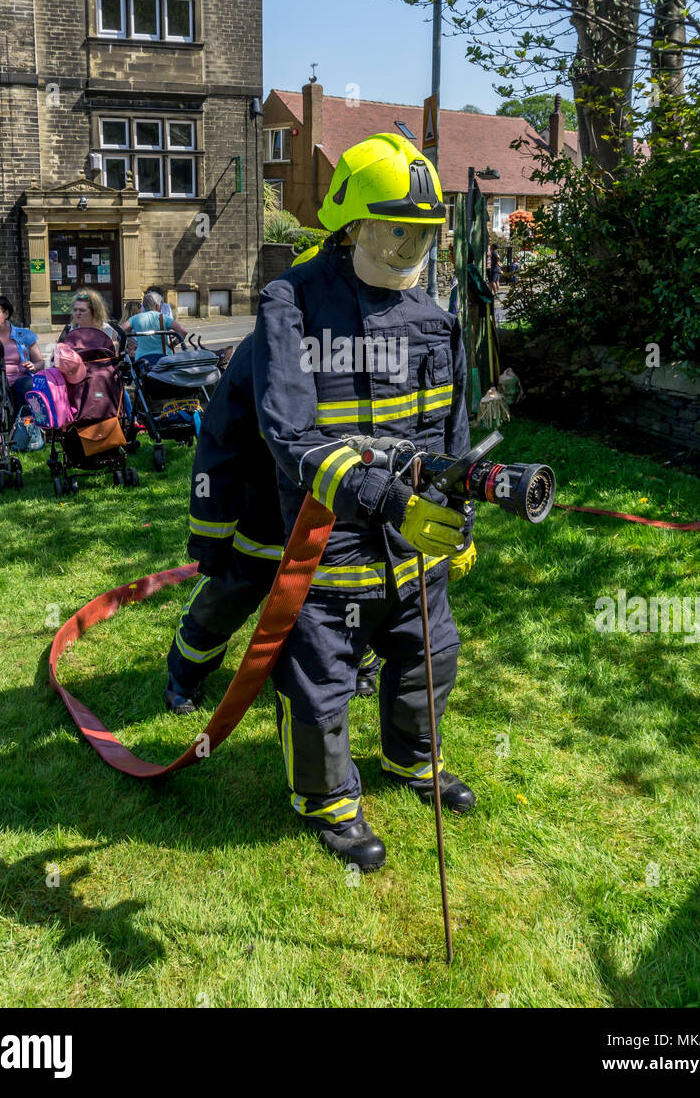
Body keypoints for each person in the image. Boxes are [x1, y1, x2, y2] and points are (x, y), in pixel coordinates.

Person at [252, 133, 477, 872]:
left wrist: (462, 507)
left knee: (427, 657)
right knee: (321, 681)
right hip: (331, 545)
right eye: (395, 228)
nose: (410, 244)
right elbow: (291, 435)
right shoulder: (291, 304)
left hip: (416, 547)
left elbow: (455, 430)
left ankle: (413, 760)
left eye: (422, 230)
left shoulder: (436, 320)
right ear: (350, 224)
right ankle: (326, 798)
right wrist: (380, 498)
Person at [164, 285, 381, 716]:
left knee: (346, 598)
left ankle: (359, 665)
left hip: (336, 516)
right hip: (261, 514)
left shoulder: (362, 348)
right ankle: (184, 676)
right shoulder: (257, 353)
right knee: (230, 596)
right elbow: (219, 444)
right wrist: (210, 535)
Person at [0, 296, 42, 412]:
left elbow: (40, 362)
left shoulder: (25, 335)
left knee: (28, 385)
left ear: (6, 314)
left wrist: (33, 366)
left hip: (20, 379)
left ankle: (27, 425)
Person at [120, 289, 186, 367]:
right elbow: (183, 332)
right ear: (157, 306)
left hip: (141, 358)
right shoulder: (163, 318)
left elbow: (120, 330)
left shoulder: (136, 318)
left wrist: (131, 342)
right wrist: (173, 344)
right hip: (163, 357)